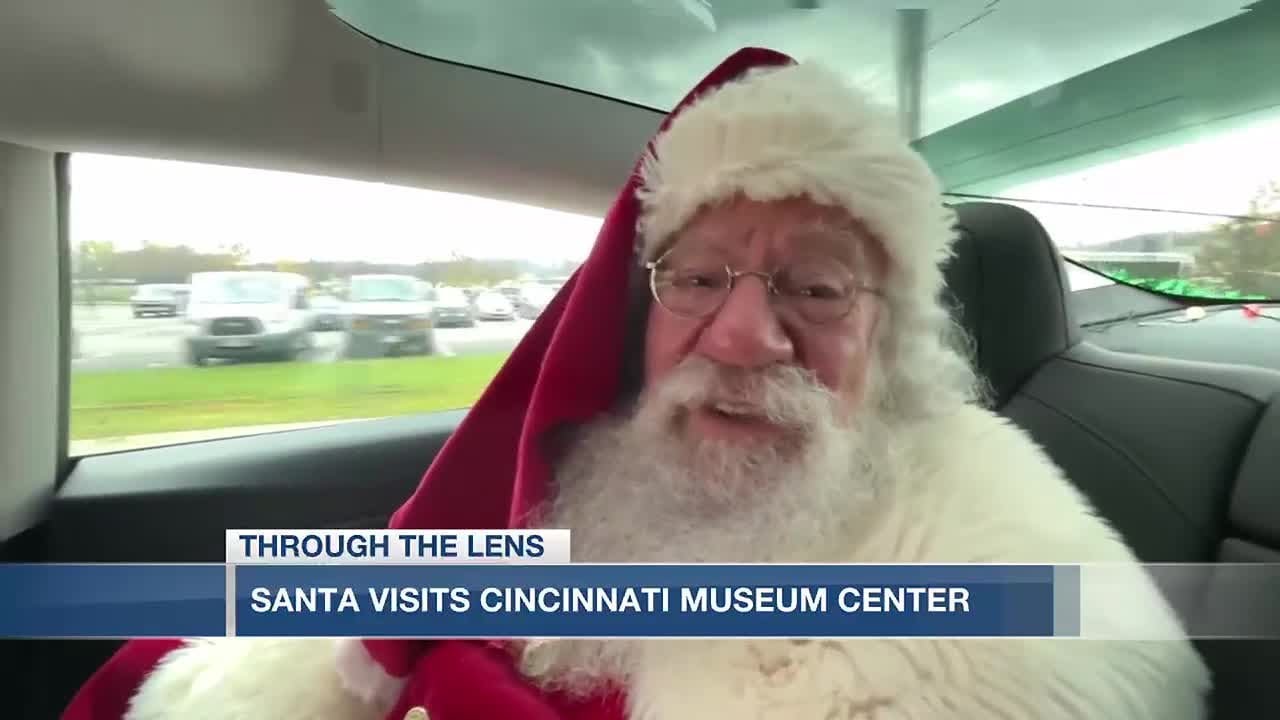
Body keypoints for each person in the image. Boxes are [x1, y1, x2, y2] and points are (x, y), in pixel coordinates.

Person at [63, 47, 1209, 720]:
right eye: (697, 278)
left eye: (816, 289)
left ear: (893, 346)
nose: (741, 337)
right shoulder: (602, 473)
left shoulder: (1008, 605)